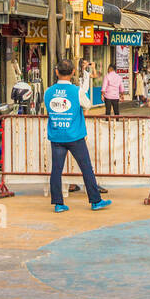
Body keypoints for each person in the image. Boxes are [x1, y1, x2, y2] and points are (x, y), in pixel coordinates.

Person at [43, 58, 111, 213]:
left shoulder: (48, 91)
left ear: (56, 72)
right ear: (73, 72)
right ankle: (95, 200)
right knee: (86, 167)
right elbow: (87, 104)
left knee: (56, 170)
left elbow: (48, 106)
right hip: (75, 136)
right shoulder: (76, 91)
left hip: (56, 135)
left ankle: (58, 203)